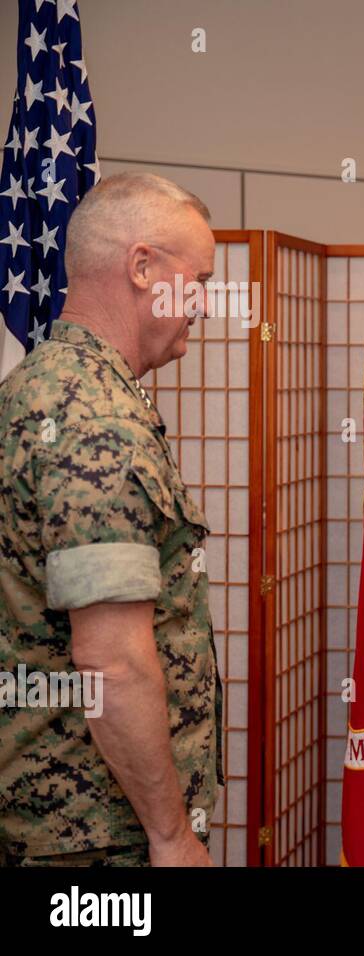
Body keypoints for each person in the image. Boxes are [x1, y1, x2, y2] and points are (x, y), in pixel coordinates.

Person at [0, 172, 221, 867]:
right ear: (142, 267)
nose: (207, 306)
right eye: (200, 280)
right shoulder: (96, 420)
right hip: (95, 836)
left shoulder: (33, 386)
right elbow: (112, 662)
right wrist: (170, 833)